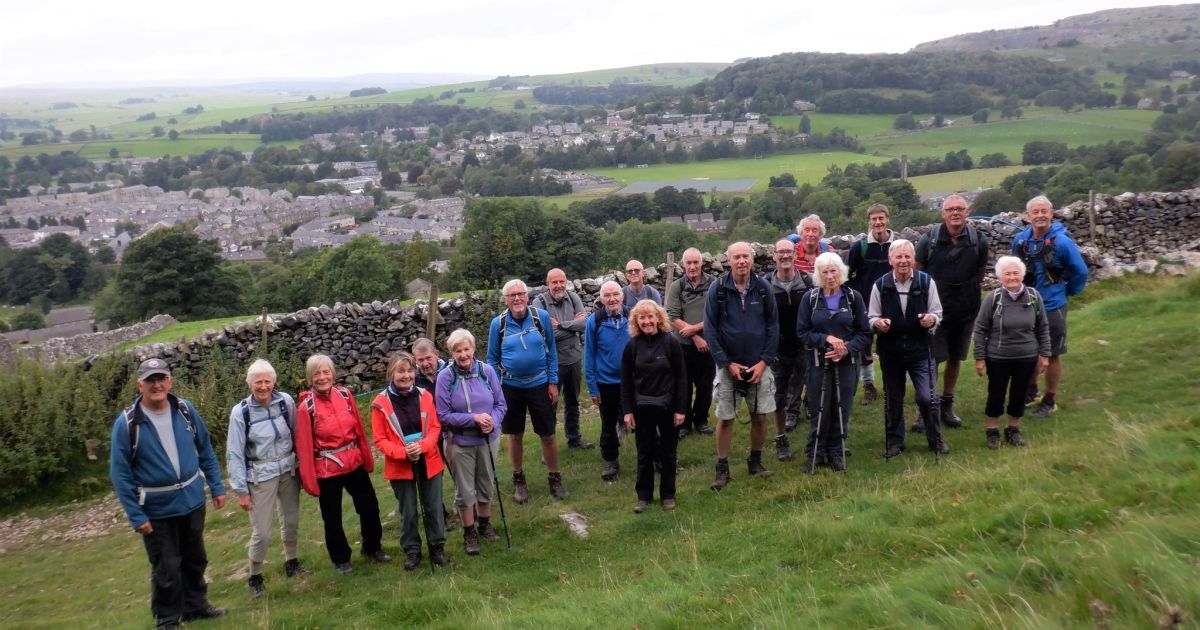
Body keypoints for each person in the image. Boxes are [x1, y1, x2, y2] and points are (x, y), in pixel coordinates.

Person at [110, 358, 227, 629]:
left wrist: (217, 486)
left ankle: (196, 607)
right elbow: (120, 473)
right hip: (156, 508)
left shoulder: (185, 410)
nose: (157, 384)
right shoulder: (128, 423)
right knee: (166, 567)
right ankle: (167, 619)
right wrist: (136, 516)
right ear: (140, 385)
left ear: (170, 381)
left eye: (161, 378)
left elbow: (206, 449)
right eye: (150, 380)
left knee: (195, 558)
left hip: (192, 500)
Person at [295, 354, 389, 574]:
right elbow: (304, 446)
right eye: (317, 373)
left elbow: (358, 431)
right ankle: (341, 559)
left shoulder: (345, 395)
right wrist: (309, 480)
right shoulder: (306, 408)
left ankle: (372, 547)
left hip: (354, 461)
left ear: (333, 374)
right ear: (310, 378)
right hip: (327, 469)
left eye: (326, 372)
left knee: (369, 506)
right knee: (332, 517)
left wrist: (367, 459)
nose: (322, 377)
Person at [225, 358, 309, 600]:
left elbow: (296, 435)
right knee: (262, 532)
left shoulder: (286, 402)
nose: (263, 386)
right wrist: (240, 490)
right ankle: (255, 576)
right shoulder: (240, 412)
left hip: (288, 471)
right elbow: (234, 452)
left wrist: (303, 469)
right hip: (260, 477)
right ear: (249, 384)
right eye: (258, 382)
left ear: (274, 382)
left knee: (291, 521)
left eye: (267, 381)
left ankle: (291, 563)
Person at [703, 241, 779, 490]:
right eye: (736, 257)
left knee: (760, 416)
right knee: (725, 418)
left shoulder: (764, 288)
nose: (741, 261)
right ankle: (722, 468)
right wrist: (726, 364)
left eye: (745, 256)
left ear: (752, 259)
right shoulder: (718, 290)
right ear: (728, 260)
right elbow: (711, 330)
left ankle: (755, 462)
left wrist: (764, 362)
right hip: (728, 366)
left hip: (759, 364)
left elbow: (773, 327)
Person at [487, 279, 569, 503]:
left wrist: (553, 382)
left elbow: (551, 350)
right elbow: (492, 359)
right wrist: (497, 390)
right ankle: (518, 480)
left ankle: (555, 478)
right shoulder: (498, 324)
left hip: (540, 384)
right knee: (515, 435)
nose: (516, 299)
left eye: (520, 294)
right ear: (505, 300)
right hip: (511, 387)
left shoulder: (540, 318)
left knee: (548, 434)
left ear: (527, 296)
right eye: (511, 295)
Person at [868, 239, 951, 458]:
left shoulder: (926, 282)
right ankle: (895, 442)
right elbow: (872, 316)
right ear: (890, 260)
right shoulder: (880, 285)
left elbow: (937, 312)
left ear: (913, 259)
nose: (903, 261)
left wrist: (931, 320)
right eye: (899, 257)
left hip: (921, 349)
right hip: (891, 350)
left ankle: (936, 439)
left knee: (928, 397)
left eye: (907, 256)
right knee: (893, 398)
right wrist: (877, 323)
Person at [916, 194, 990, 431]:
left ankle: (947, 404)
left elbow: (979, 274)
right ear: (943, 213)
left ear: (967, 212)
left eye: (960, 208)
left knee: (956, 357)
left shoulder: (979, 240)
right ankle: (927, 408)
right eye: (950, 209)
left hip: (965, 308)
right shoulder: (929, 240)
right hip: (935, 310)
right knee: (932, 360)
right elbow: (919, 273)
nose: (955, 213)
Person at [1011, 195, 1089, 418]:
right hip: (1026, 304)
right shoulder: (1019, 241)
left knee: (1052, 353)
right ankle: (1032, 391)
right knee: (1027, 350)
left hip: (1053, 306)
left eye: (1044, 211)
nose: (1040, 215)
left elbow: (1081, 271)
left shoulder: (1062, 243)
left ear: (1052, 214)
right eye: (1035, 212)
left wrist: (1067, 291)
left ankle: (1049, 399)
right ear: (1028, 216)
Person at [370, 352, 448, 570]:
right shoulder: (379, 404)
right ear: (391, 373)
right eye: (400, 371)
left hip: (429, 458)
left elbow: (434, 427)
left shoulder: (425, 396)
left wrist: (421, 447)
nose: (406, 375)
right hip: (400, 463)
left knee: (433, 506)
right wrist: (404, 453)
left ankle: (437, 546)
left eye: (409, 370)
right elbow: (380, 439)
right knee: (409, 511)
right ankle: (412, 550)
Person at [796, 253, 871, 472]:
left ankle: (836, 452)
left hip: (847, 363)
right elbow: (802, 332)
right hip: (818, 362)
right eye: (825, 272)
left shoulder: (853, 297)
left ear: (841, 272)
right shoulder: (810, 299)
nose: (830, 276)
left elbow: (864, 333)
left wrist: (846, 349)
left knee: (842, 406)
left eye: (834, 271)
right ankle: (815, 453)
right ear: (818, 275)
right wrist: (826, 339)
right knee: (819, 407)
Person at [435, 329, 506, 556]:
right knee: (465, 490)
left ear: (473, 349)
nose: (463, 354)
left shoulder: (487, 371)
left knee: (486, 483)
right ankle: (469, 532)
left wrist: (492, 422)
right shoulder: (446, 377)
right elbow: (443, 414)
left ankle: (484, 524)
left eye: (466, 349)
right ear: (451, 353)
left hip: (488, 439)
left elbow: (500, 404)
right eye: (458, 350)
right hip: (459, 442)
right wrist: (473, 419)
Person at [973, 256, 1050, 449]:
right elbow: (981, 328)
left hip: (1026, 356)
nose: (1012, 277)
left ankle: (1012, 429)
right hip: (998, 357)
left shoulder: (1034, 296)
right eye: (1007, 273)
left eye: (1016, 273)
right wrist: (980, 358)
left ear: (1023, 275)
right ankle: (992, 431)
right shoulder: (993, 298)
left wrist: (1045, 355)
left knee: (1019, 394)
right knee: (996, 394)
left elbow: (1043, 327)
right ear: (1000, 277)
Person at [621, 300, 688, 513]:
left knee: (669, 453)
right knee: (644, 453)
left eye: (650, 317)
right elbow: (626, 380)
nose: (647, 321)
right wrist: (627, 410)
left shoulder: (671, 343)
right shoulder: (632, 346)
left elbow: (682, 378)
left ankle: (668, 495)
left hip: (668, 406)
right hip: (642, 407)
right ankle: (643, 497)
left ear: (658, 318)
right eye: (642, 318)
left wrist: (681, 409)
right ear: (636, 321)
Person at [532, 268, 593, 449]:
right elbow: (544, 334)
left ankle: (574, 439)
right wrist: (572, 328)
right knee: (550, 404)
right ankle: (549, 446)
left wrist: (561, 325)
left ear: (566, 282)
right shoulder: (539, 301)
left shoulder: (573, 297)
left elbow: (585, 324)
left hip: (574, 359)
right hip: (553, 363)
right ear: (547, 283)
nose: (559, 286)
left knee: (572, 401)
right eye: (554, 282)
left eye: (561, 282)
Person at [764, 238, 813, 461]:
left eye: (789, 252)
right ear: (774, 256)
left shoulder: (807, 282)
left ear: (795, 255)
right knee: (778, 395)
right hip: (777, 350)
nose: (785, 256)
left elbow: (817, 311)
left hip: (805, 346)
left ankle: (817, 440)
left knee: (814, 390)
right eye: (780, 252)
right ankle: (781, 438)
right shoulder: (765, 285)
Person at [847, 203, 896, 406]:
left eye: (881, 218)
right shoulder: (860, 247)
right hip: (865, 306)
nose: (878, 222)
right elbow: (847, 275)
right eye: (874, 219)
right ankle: (869, 387)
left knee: (891, 349)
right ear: (869, 222)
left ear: (887, 219)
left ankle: (892, 387)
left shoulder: (897, 246)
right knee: (864, 349)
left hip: (892, 305)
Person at [665, 247, 716, 439]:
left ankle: (701, 420)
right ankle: (684, 422)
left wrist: (695, 329)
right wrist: (694, 336)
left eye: (696, 262)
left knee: (705, 385)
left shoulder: (713, 284)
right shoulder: (677, 286)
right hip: (683, 346)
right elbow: (672, 315)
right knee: (683, 385)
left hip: (708, 344)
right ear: (682, 264)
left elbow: (717, 314)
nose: (693, 266)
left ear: (702, 263)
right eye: (689, 263)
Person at [585, 280, 631, 482]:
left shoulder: (634, 316)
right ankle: (611, 460)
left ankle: (653, 456)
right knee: (608, 423)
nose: (612, 299)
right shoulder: (594, 321)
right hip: (606, 382)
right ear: (601, 299)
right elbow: (589, 355)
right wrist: (592, 386)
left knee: (644, 420)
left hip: (633, 381)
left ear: (622, 296)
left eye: (615, 294)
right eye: (607, 295)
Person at [412, 337, 458, 530]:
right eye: (420, 360)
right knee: (432, 477)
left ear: (437, 355)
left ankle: (466, 507)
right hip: (429, 436)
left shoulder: (452, 370)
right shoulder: (413, 380)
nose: (425, 363)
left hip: (454, 431)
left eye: (428, 358)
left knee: (460, 473)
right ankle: (441, 515)